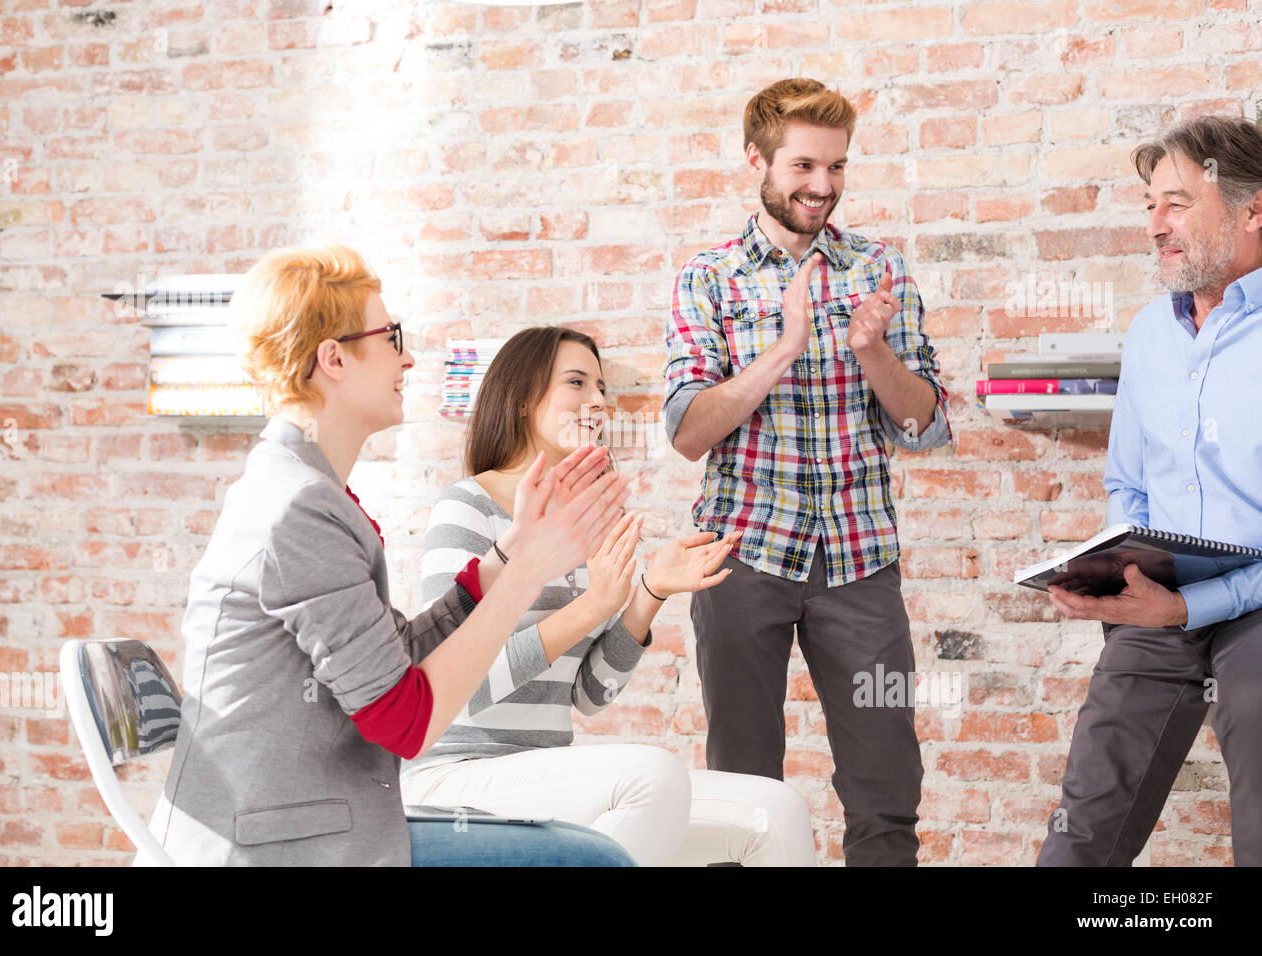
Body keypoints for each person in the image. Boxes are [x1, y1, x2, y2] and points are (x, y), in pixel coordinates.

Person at [149, 245, 635, 866]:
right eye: (390, 338)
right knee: (597, 863)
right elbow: (405, 722)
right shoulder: (296, 510)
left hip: (311, 819)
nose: (408, 358)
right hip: (279, 844)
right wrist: (531, 570)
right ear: (335, 358)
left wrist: (513, 551)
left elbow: (396, 659)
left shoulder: (306, 490)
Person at [662, 78, 952, 866]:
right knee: (742, 796)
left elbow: (923, 428)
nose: (822, 186)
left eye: (837, 167)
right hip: (742, 560)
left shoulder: (878, 267)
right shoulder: (709, 277)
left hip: (859, 560)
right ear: (755, 159)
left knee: (887, 788)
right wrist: (784, 347)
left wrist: (873, 352)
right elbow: (688, 432)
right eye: (803, 166)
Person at [402, 326, 819, 866]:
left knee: (777, 809)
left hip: (547, 777)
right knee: (654, 776)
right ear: (521, 396)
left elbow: (587, 696)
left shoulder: (586, 526)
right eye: (576, 382)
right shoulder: (468, 506)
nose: (597, 401)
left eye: (601, 387)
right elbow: (460, 687)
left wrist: (648, 592)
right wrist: (592, 607)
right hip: (455, 777)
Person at [1039, 116, 1262, 866]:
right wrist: (1115, 573)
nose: (1154, 226)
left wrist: (1193, 605)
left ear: (1251, 211)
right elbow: (1128, 484)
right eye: (1148, 205)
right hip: (1158, 600)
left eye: (1175, 203)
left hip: (1256, 606)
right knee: (1087, 809)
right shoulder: (1148, 335)